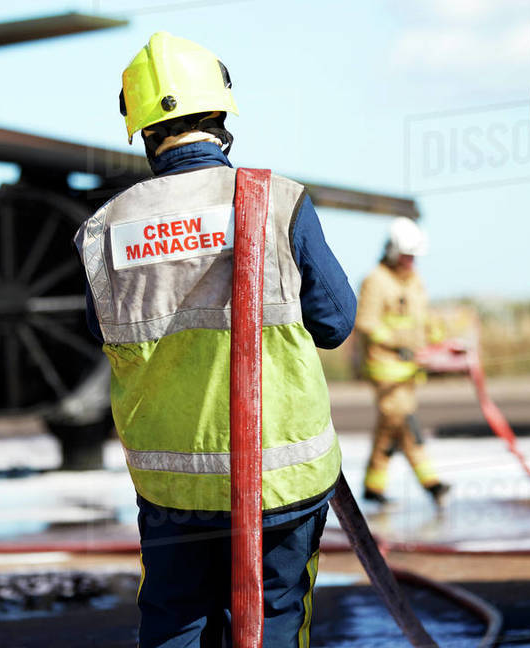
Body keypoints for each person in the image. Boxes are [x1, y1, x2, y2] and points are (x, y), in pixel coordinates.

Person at [74, 32, 357, 648]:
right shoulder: (279, 202)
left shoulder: (104, 231)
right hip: (281, 482)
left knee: (176, 623)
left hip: (174, 488)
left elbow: (104, 331)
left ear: (144, 130)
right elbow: (335, 322)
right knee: (274, 620)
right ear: (222, 117)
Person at [356, 217, 450, 506]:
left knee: (389, 426)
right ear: (394, 251)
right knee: (406, 424)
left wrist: (438, 338)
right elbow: (366, 322)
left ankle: (373, 487)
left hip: (410, 371)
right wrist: (399, 344)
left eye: (414, 257)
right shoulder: (376, 280)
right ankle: (432, 484)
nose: (411, 262)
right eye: (407, 256)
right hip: (387, 372)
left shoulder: (414, 280)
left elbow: (424, 317)